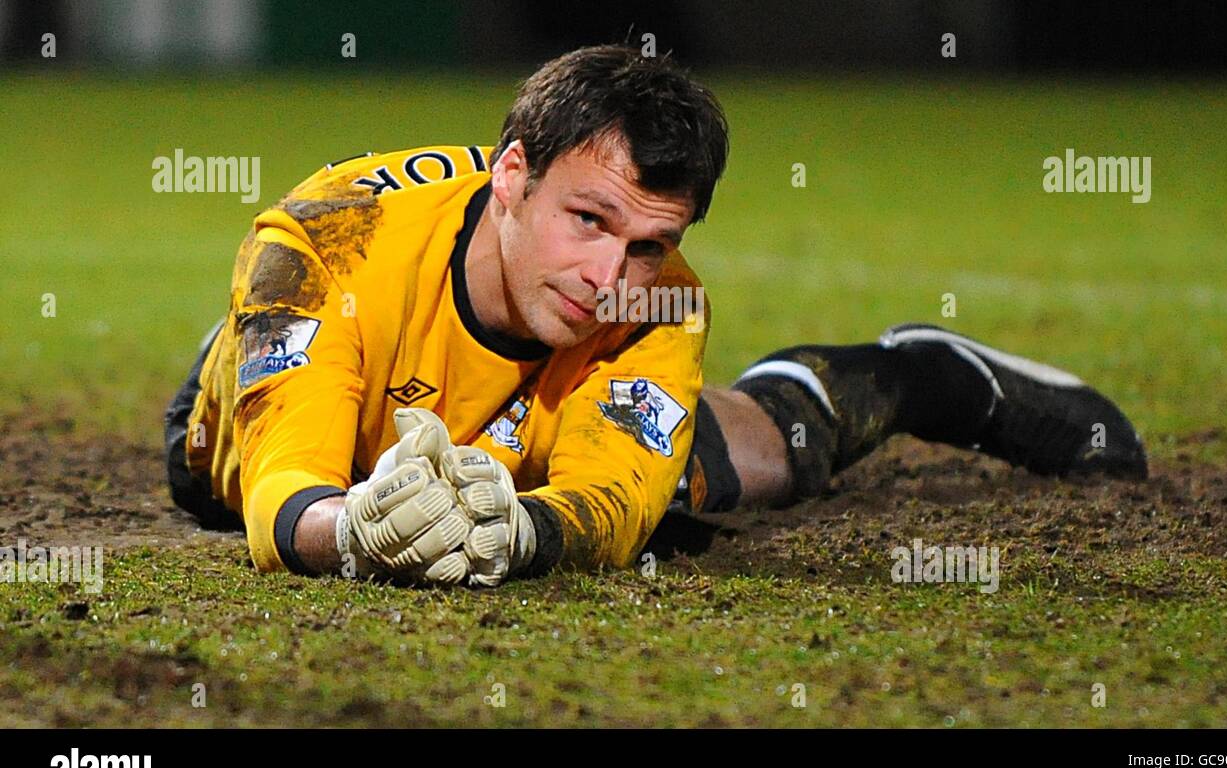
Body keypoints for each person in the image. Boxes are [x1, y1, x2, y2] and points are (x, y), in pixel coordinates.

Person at [164, 45, 1147, 588]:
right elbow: (282, 494)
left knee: (750, 464)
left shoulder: (653, 298)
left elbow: (615, 506)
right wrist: (357, 535)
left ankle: (918, 376)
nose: (607, 276)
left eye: (646, 241)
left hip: (520, 462)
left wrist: (511, 540)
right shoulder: (333, 243)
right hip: (328, 419)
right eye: (587, 220)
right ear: (512, 174)